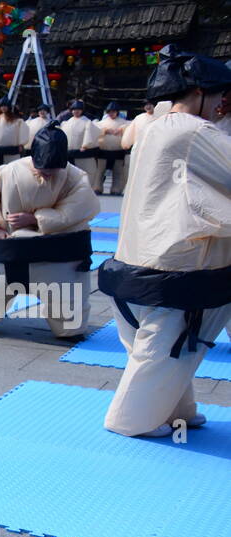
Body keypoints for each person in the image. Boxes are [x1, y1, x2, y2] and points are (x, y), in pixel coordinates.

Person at [98, 47, 231, 438]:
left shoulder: (154, 126)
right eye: (220, 94)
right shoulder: (195, 132)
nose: (223, 102)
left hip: (135, 261)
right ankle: (133, 421)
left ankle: (177, 408)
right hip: (174, 268)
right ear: (201, 92)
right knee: (169, 349)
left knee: (169, 352)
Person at [0, 121, 99, 340]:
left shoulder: (76, 178)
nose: (46, 175)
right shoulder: (7, 172)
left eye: (52, 171)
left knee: (70, 326)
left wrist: (36, 219)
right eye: (42, 169)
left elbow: (81, 209)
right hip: (6, 254)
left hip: (56, 260)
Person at [61, 100, 100, 192]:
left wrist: (86, 144)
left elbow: (90, 133)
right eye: (74, 110)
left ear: (82, 110)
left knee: (85, 172)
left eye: (78, 110)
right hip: (69, 152)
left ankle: (85, 189)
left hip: (82, 152)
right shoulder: (67, 123)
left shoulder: (87, 122)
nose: (76, 111)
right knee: (69, 173)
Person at [94, 102, 131, 195]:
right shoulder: (101, 123)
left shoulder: (124, 123)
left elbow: (129, 129)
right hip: (103, 151)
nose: (111, 113)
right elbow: (95, 131)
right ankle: (97, 187)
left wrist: (122, 129)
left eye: (113, 111)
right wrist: (104, 130)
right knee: (99, 171)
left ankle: (116, 189)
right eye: (109, 112)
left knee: (118, 172)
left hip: (118, 151)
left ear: (117, 112)